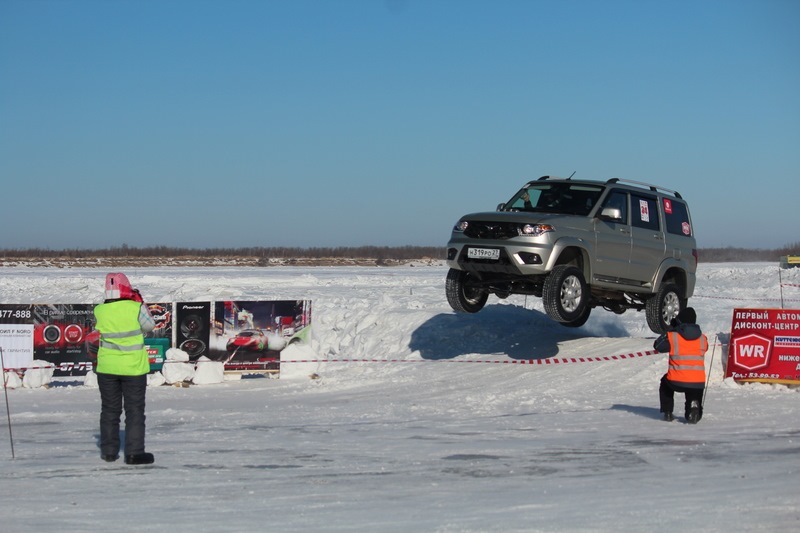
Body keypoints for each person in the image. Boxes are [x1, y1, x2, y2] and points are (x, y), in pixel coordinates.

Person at [93, 273, 156, 464]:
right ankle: (134, 453)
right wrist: (140, 303)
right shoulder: (135, 307)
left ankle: (109, 452)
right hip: (133, 368)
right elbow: (149, 326)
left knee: (109, 410)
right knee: (134, 410)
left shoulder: (99, 310)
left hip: (107, 368)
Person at [654, 307, 708, 424]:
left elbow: (658, 346)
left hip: (675, 381)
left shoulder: (673, 336)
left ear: (680, 320)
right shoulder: (703, 338)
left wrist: (671, 329)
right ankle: (693, 409)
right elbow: (706, 348)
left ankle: (667, 412)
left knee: (665, 383)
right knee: (694, 391)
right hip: (697, 382)